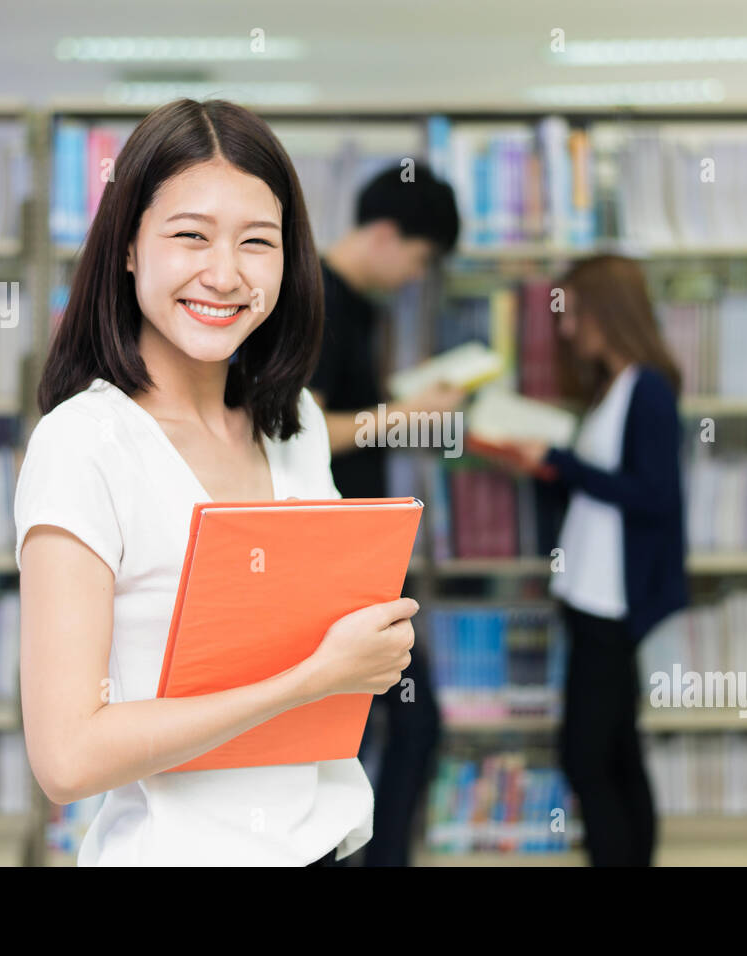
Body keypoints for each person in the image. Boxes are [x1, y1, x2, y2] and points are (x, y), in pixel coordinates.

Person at [14, 98, 420, 866]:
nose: (224, 274)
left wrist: (371, 650)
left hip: (325, 847)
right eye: (190, 235)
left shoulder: (293, 424)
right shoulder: (84, 444)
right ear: (129, 247)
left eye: (256, 243)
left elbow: (330, 651)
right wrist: (310, 680)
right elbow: (66, 760)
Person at [498, 255, 688, 866]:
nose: (568, 326)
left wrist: (567, 461)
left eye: (575, 311)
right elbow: (597, 495)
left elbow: (654, 497)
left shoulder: (648, 389)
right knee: (616, 752)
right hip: (588, 596)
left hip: (612, 603)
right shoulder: (614, 387)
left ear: (607, 311)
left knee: (585, 756)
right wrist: (548, 469)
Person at [307, 162, 464, 866]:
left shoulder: (350, 304)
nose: (412, 277)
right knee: (407, 724)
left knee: (385, 727)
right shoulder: (318, 302)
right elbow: (301, 429)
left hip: (357, 552)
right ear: (382, 234)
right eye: (418, 259)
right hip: (335, 558)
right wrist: (410, 415)